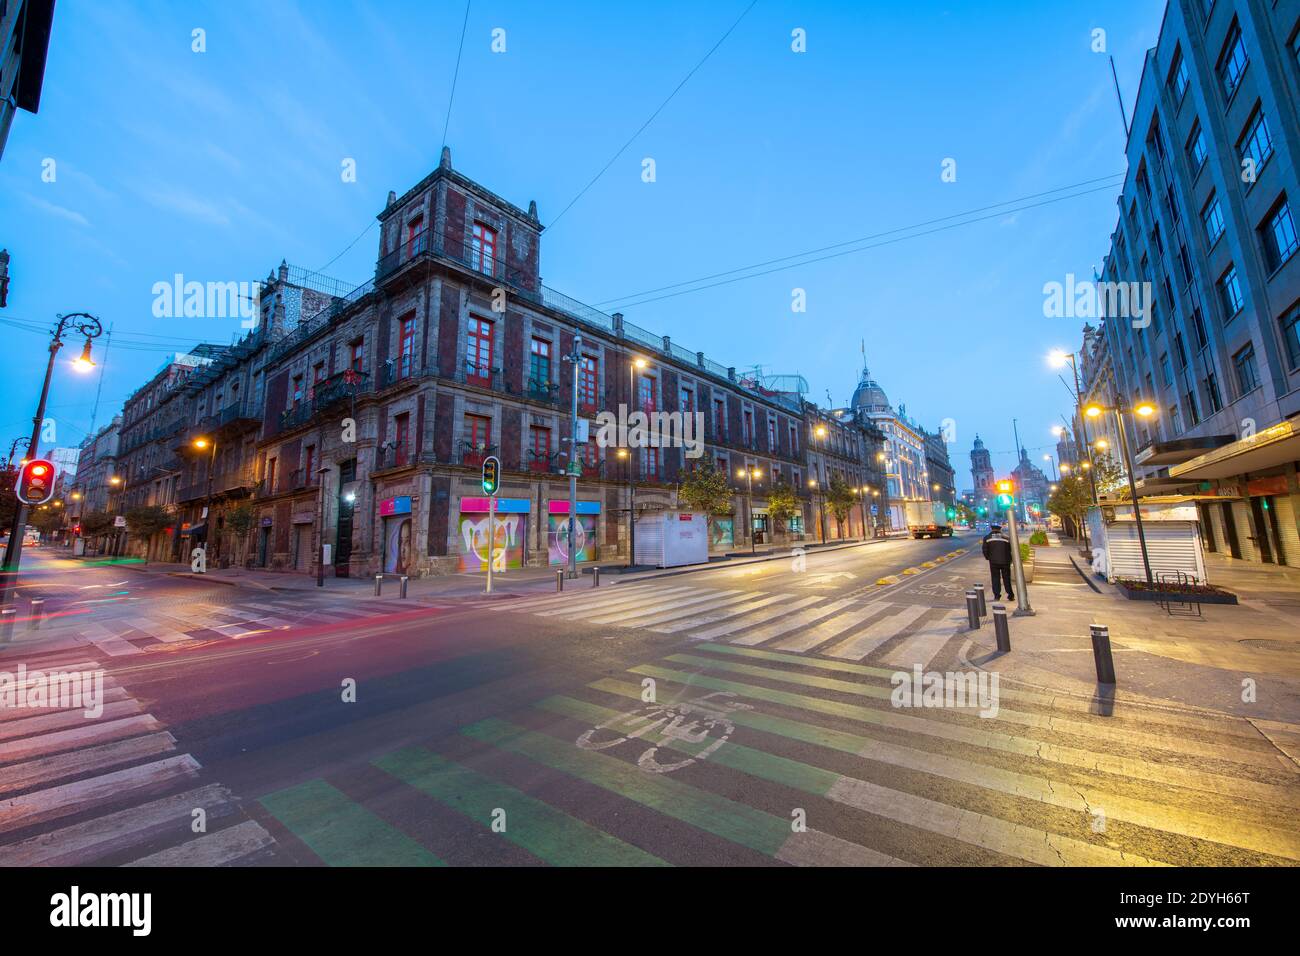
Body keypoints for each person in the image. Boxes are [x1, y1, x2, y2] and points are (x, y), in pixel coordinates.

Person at [982, 521, 1015, 601]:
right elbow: (1011, 549)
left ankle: (997, 595)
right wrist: (1010, 559)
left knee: (995, 578)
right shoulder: (1006, 537)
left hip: (993, 561)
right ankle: (1010, 595)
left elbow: (985, 550)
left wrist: (988, 557)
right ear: (1000, 530)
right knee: (1006, 578)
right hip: (1005, 561)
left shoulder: (987, 538)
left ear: (991, 529)